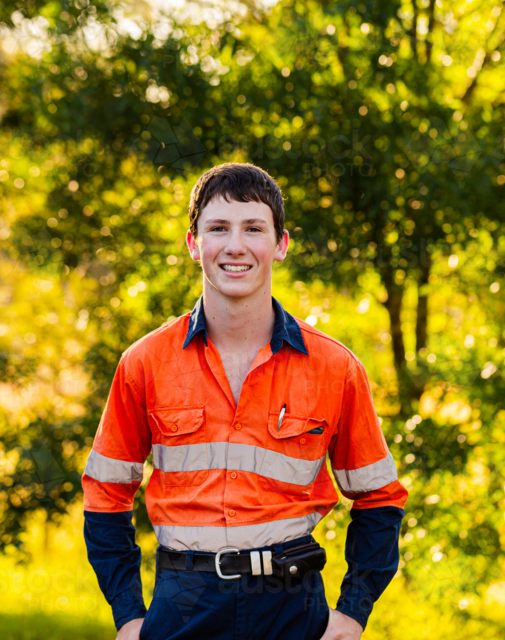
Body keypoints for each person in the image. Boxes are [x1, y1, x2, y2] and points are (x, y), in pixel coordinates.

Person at [82, 162, 409, 640]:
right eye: (218, 228)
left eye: (253, 228)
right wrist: (128, 614)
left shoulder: (335, 368)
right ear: (194, 244)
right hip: (182, 606)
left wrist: (353, 613)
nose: (236, 246)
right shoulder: (144, 362)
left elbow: (380, 496)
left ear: (280, 244)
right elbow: (106, 493)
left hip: (293, 609)